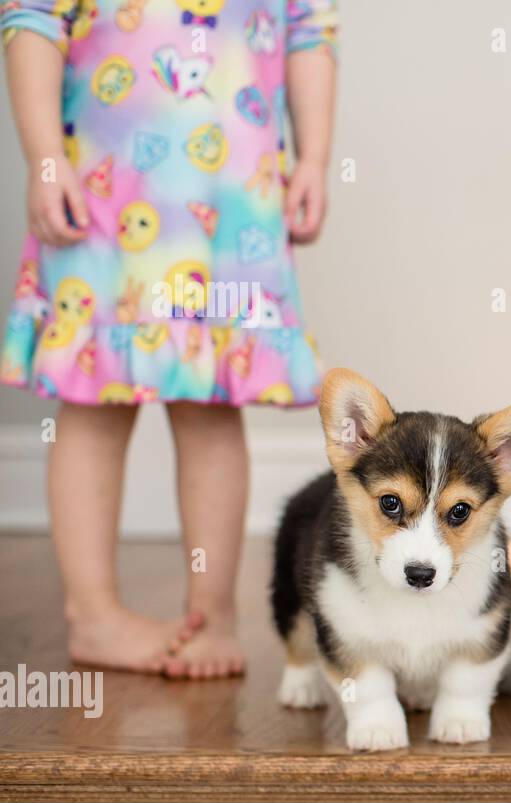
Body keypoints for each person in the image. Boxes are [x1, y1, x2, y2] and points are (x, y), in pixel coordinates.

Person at [0, 0, 338, 678]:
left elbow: (309, 32)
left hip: (232, 211)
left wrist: (314, 159)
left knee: (212, 406)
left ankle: (210, 612)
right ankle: (92, 613)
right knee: (95, 402)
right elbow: (32, 19)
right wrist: (43, 160)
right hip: (105, 202)